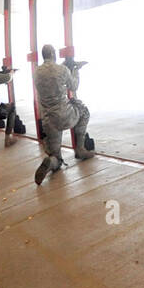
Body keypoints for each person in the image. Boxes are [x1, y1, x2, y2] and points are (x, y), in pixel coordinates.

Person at [33, 44, 92, 184]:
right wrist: (76, 70)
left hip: (48, 120)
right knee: (84, 112)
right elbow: (74, 86)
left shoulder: (36, 72)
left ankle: (50, 162)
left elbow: (50, 75)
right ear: (53, 54)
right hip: (65, 115)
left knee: (57, 159)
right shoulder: (62, 70)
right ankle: (80, 149)